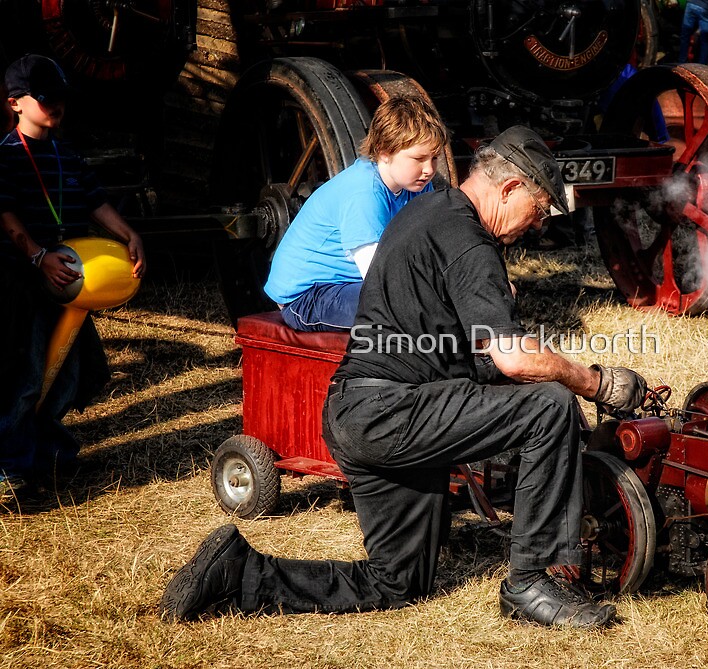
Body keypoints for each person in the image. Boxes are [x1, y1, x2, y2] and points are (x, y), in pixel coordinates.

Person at [160, 126, 650, 629]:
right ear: (509, 189)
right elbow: (513, 359)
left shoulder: (428, 213)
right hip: (394, 411)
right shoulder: (468, 241)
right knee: (550, 405)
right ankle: (532, 583)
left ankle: (238, 573)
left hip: (358, 413)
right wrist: (594, 382)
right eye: (539, 208)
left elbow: (450, 348)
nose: (538, 224)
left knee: (398, 583)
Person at [0, 54, 145, 496]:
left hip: (71, 285)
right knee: (26, 377)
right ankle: (9, 466)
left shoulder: (68, 153)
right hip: (26, 287)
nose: (56, 107)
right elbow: (4, 214)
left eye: (60, 98)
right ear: (15, 103)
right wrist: (38, 255)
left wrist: (129, 234)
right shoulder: (5, 157)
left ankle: (49, 456)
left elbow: (95, 201)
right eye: (46, 99)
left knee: (66, 375)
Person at [263, 96, 448, 331]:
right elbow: (378, 276)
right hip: (307, 296)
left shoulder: (415, 184)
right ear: (384, 152)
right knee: (404, 307)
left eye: (434, 158)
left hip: (351, 284)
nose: (430, 169)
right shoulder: (364, 193)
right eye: (419, 159)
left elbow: (432, 244)